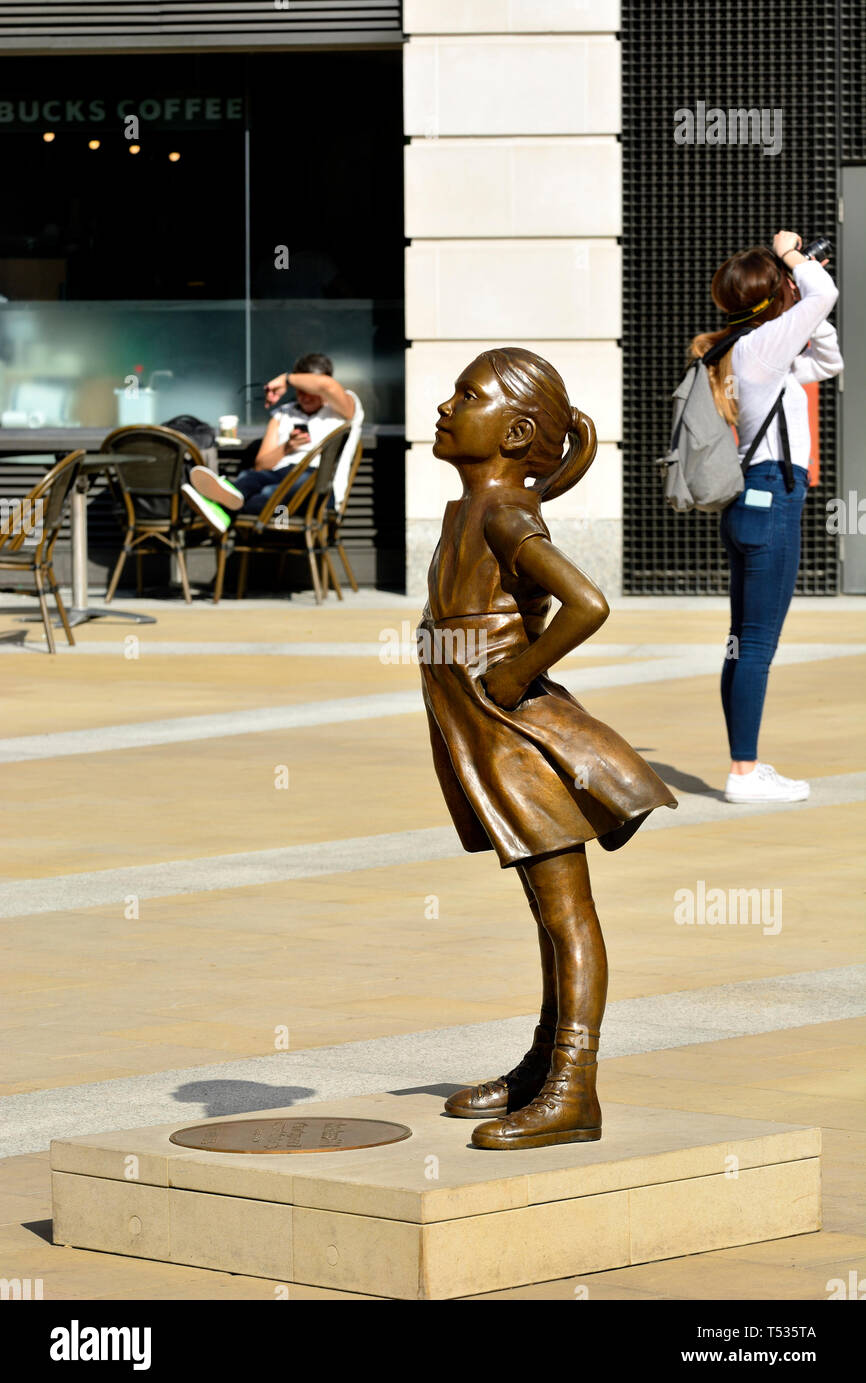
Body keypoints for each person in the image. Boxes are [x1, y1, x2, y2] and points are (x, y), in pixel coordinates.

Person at [418, 347, 677, 1149]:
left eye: (467, 395)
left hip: (515, 734)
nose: (445, 406)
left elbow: (586, 603)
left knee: (566, 913)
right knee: (544, 908)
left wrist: (516, 674)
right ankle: (541, 1066)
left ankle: (575, 1086)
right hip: (477, 731)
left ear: (517, 429)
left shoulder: (501, 515)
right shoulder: (476, 507)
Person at [690, 232, 843, 803]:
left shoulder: (751, 349)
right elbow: (821, 292)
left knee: (742, 644)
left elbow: (830, 360)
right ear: (775, 293)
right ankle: (745, 774)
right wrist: (793, 257)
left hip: (751, 505)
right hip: (772, 501)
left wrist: (801, 307)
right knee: (755, 647)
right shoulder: (762, 347)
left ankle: (745, 767)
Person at [182, 353, 355, 531]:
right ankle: (221, 503)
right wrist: (287, 448)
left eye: (310, 390)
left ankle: (221, 509)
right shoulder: (283, 414)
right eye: (300, 391)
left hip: (317, 493)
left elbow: (327, 385)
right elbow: (261, 465)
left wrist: (285, 379)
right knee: (250, 478)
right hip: (282, 496)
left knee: (285, 486)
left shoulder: (343, 410)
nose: (305, 396)